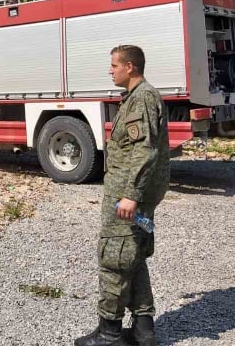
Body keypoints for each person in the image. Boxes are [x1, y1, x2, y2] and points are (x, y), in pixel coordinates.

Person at [75, 45, 170, 346]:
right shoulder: (139, 96)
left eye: (114, 65)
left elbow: (144, 151)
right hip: (135, 195)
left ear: (129, 67)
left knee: (114, 258)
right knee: (134, 256)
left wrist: (131, 195)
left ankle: (109, 332)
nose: (110, 70)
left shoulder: (141, 98)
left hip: (127, 198)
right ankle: (144, 331)